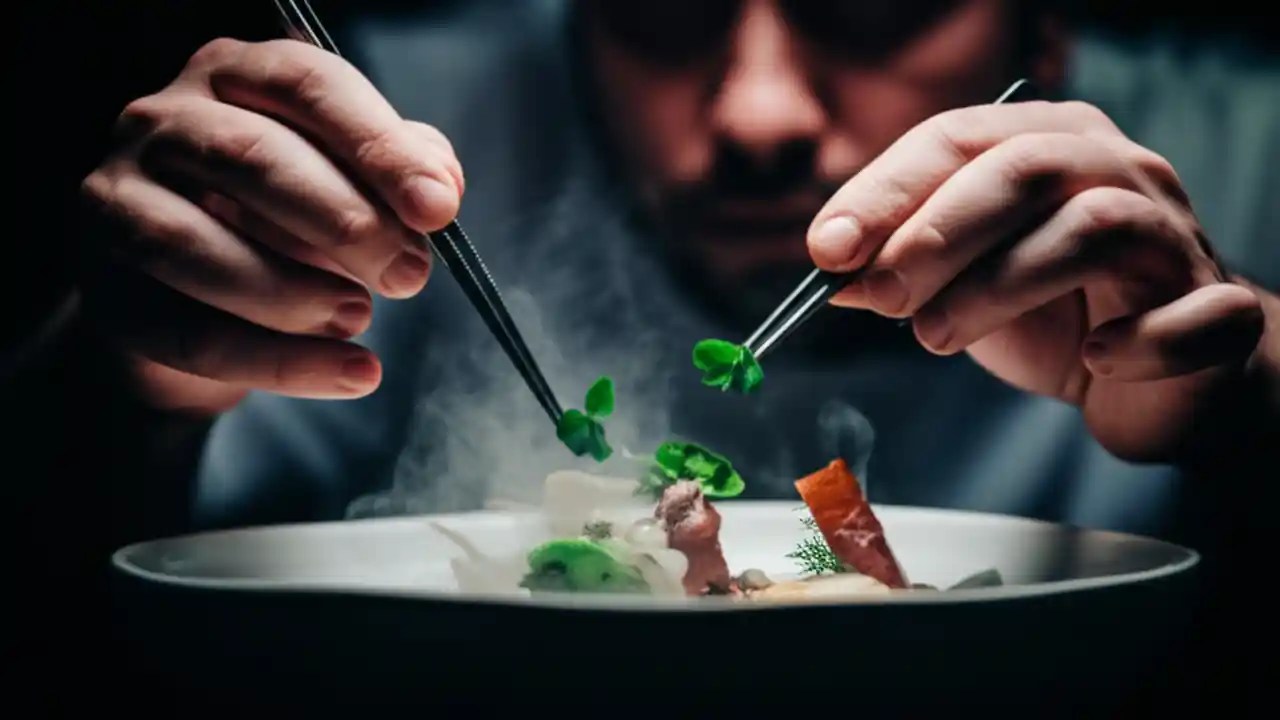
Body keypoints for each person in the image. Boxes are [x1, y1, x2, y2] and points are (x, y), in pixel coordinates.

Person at [17, 0, 1275, 706]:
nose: (756, 113)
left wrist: (1257, 389)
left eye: (873, 8)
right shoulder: (395, 140)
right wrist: (123, 381)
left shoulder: (1250, 147)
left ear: (1039, 33)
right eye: (662, 16)